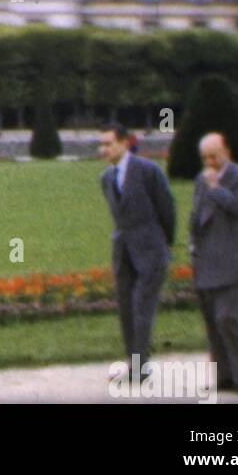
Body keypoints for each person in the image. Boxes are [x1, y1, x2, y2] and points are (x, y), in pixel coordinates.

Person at [98, 123, 176, 381]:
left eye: (108, 143)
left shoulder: (148, 171)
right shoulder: (106, 178)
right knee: (126, 309)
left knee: (142, 307)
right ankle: (136, 364)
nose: (104, 149)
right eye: (102, 144)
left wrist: (164, 243)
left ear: (125, 143)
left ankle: (139, 368)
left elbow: (167, 208)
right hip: (123, 251)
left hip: (151, 251)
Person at [189, 132, 238, 392]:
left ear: (226, 152)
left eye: (214, 156)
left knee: (227, 318)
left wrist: (216, 188)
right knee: (212, 324)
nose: (209, 162)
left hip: (233, 263)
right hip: (206, 262)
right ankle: (223, 377)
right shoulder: (201, 179)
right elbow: (197, 216)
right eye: (205, 157)